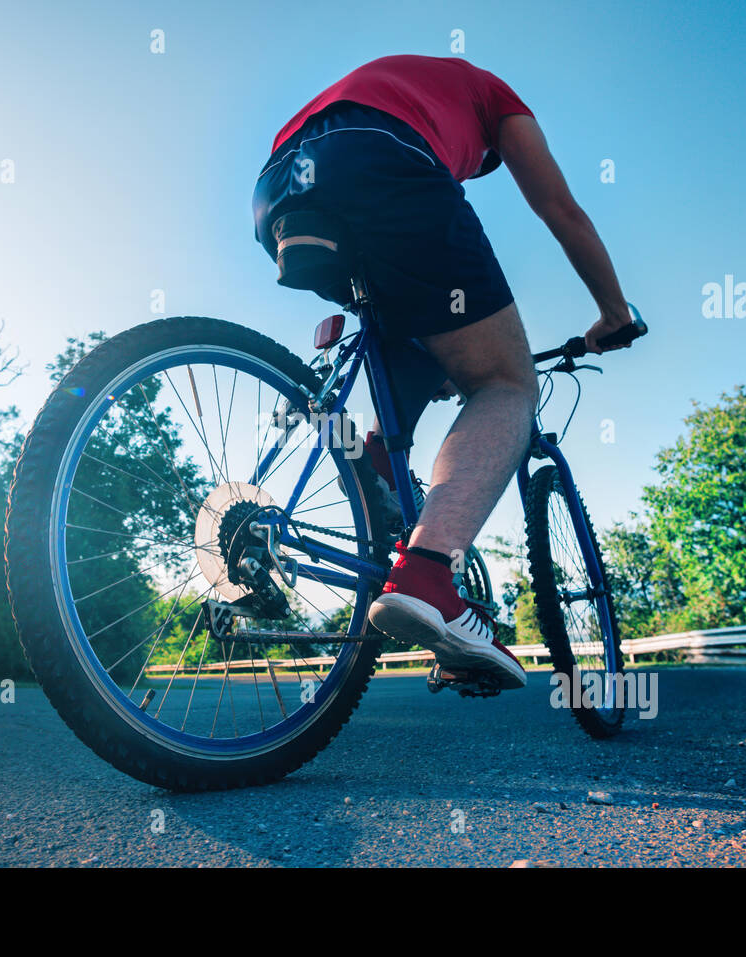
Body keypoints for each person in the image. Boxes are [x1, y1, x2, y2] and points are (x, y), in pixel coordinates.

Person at [252, 55, 633, 689]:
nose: (481, 167)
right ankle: (428, 573)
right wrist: (613, 312)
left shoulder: (413, 80)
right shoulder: (497, 95)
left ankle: (377, 474)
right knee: (505, 383)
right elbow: (560, 209)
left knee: (426, 341)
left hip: (278, 190)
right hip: (381, 158)